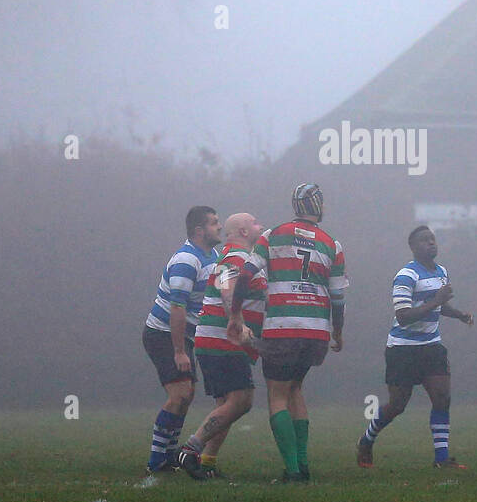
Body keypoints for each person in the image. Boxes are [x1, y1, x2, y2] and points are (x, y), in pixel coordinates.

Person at [228, 183, 347, 483]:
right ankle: (304, 464)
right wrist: (338, 332)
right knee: (296, 388)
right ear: (319, 207)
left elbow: (245, 275)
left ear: (295, 205)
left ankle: (293, 470)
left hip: (283, 329)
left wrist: (235, 314)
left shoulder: (273, 236)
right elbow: (338, 298)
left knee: (278, 394)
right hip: (316, 332)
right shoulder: (333, 245)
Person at [357, 225, 473, 469]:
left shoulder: (442, 272)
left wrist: (459, 314)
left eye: (432, 239)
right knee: (398, 405)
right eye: (424, 240)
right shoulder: (406, 275)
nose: (431, 243)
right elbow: (404, 316)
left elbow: (440, 307)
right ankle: (366, 440)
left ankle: (442, 459)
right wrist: (437, 300)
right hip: (402, 348)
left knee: (442, 398)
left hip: (431, 346)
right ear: (413, 247)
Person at [178, 212, 267, 480]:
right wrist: (235, 320)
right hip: (222, 341)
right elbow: (227, 288)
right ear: (242, 231)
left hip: (220, 341)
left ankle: (206, 462)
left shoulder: (244, 257)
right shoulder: (234, 257)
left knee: (226, 405)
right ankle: (190, 450)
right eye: (255, 223)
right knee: (242, 400)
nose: (260, 226)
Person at [142, 206, 221, 473]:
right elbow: (177, 308)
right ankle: (157, 461)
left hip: (182, 335)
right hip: (163, 334)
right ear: (199, 231)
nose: (219, 227)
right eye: (214, 223)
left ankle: (168, 456)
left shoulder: (214, 255)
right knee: (180, 394)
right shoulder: (187, 260)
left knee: (187, 395)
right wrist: (179, 351)